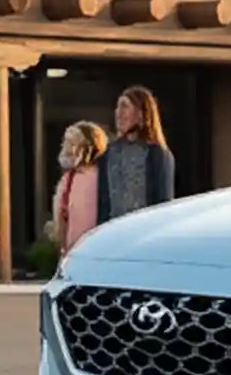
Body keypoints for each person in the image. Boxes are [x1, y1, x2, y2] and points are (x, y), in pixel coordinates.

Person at [96, 85, 175, 225]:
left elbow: (164, 205)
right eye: (117, 107)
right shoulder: (108, 154)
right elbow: (103, 205)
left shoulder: (156, 154)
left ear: (141, 114)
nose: (118, 113)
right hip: (114, 232)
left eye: (124, 106)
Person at [51, 120, 108, 253]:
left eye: (72, 143)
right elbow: (61, 220)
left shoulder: (103, 178)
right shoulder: (68, 179)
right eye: (66, 142)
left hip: (95, 249)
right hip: (74, 251)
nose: (67, 147)